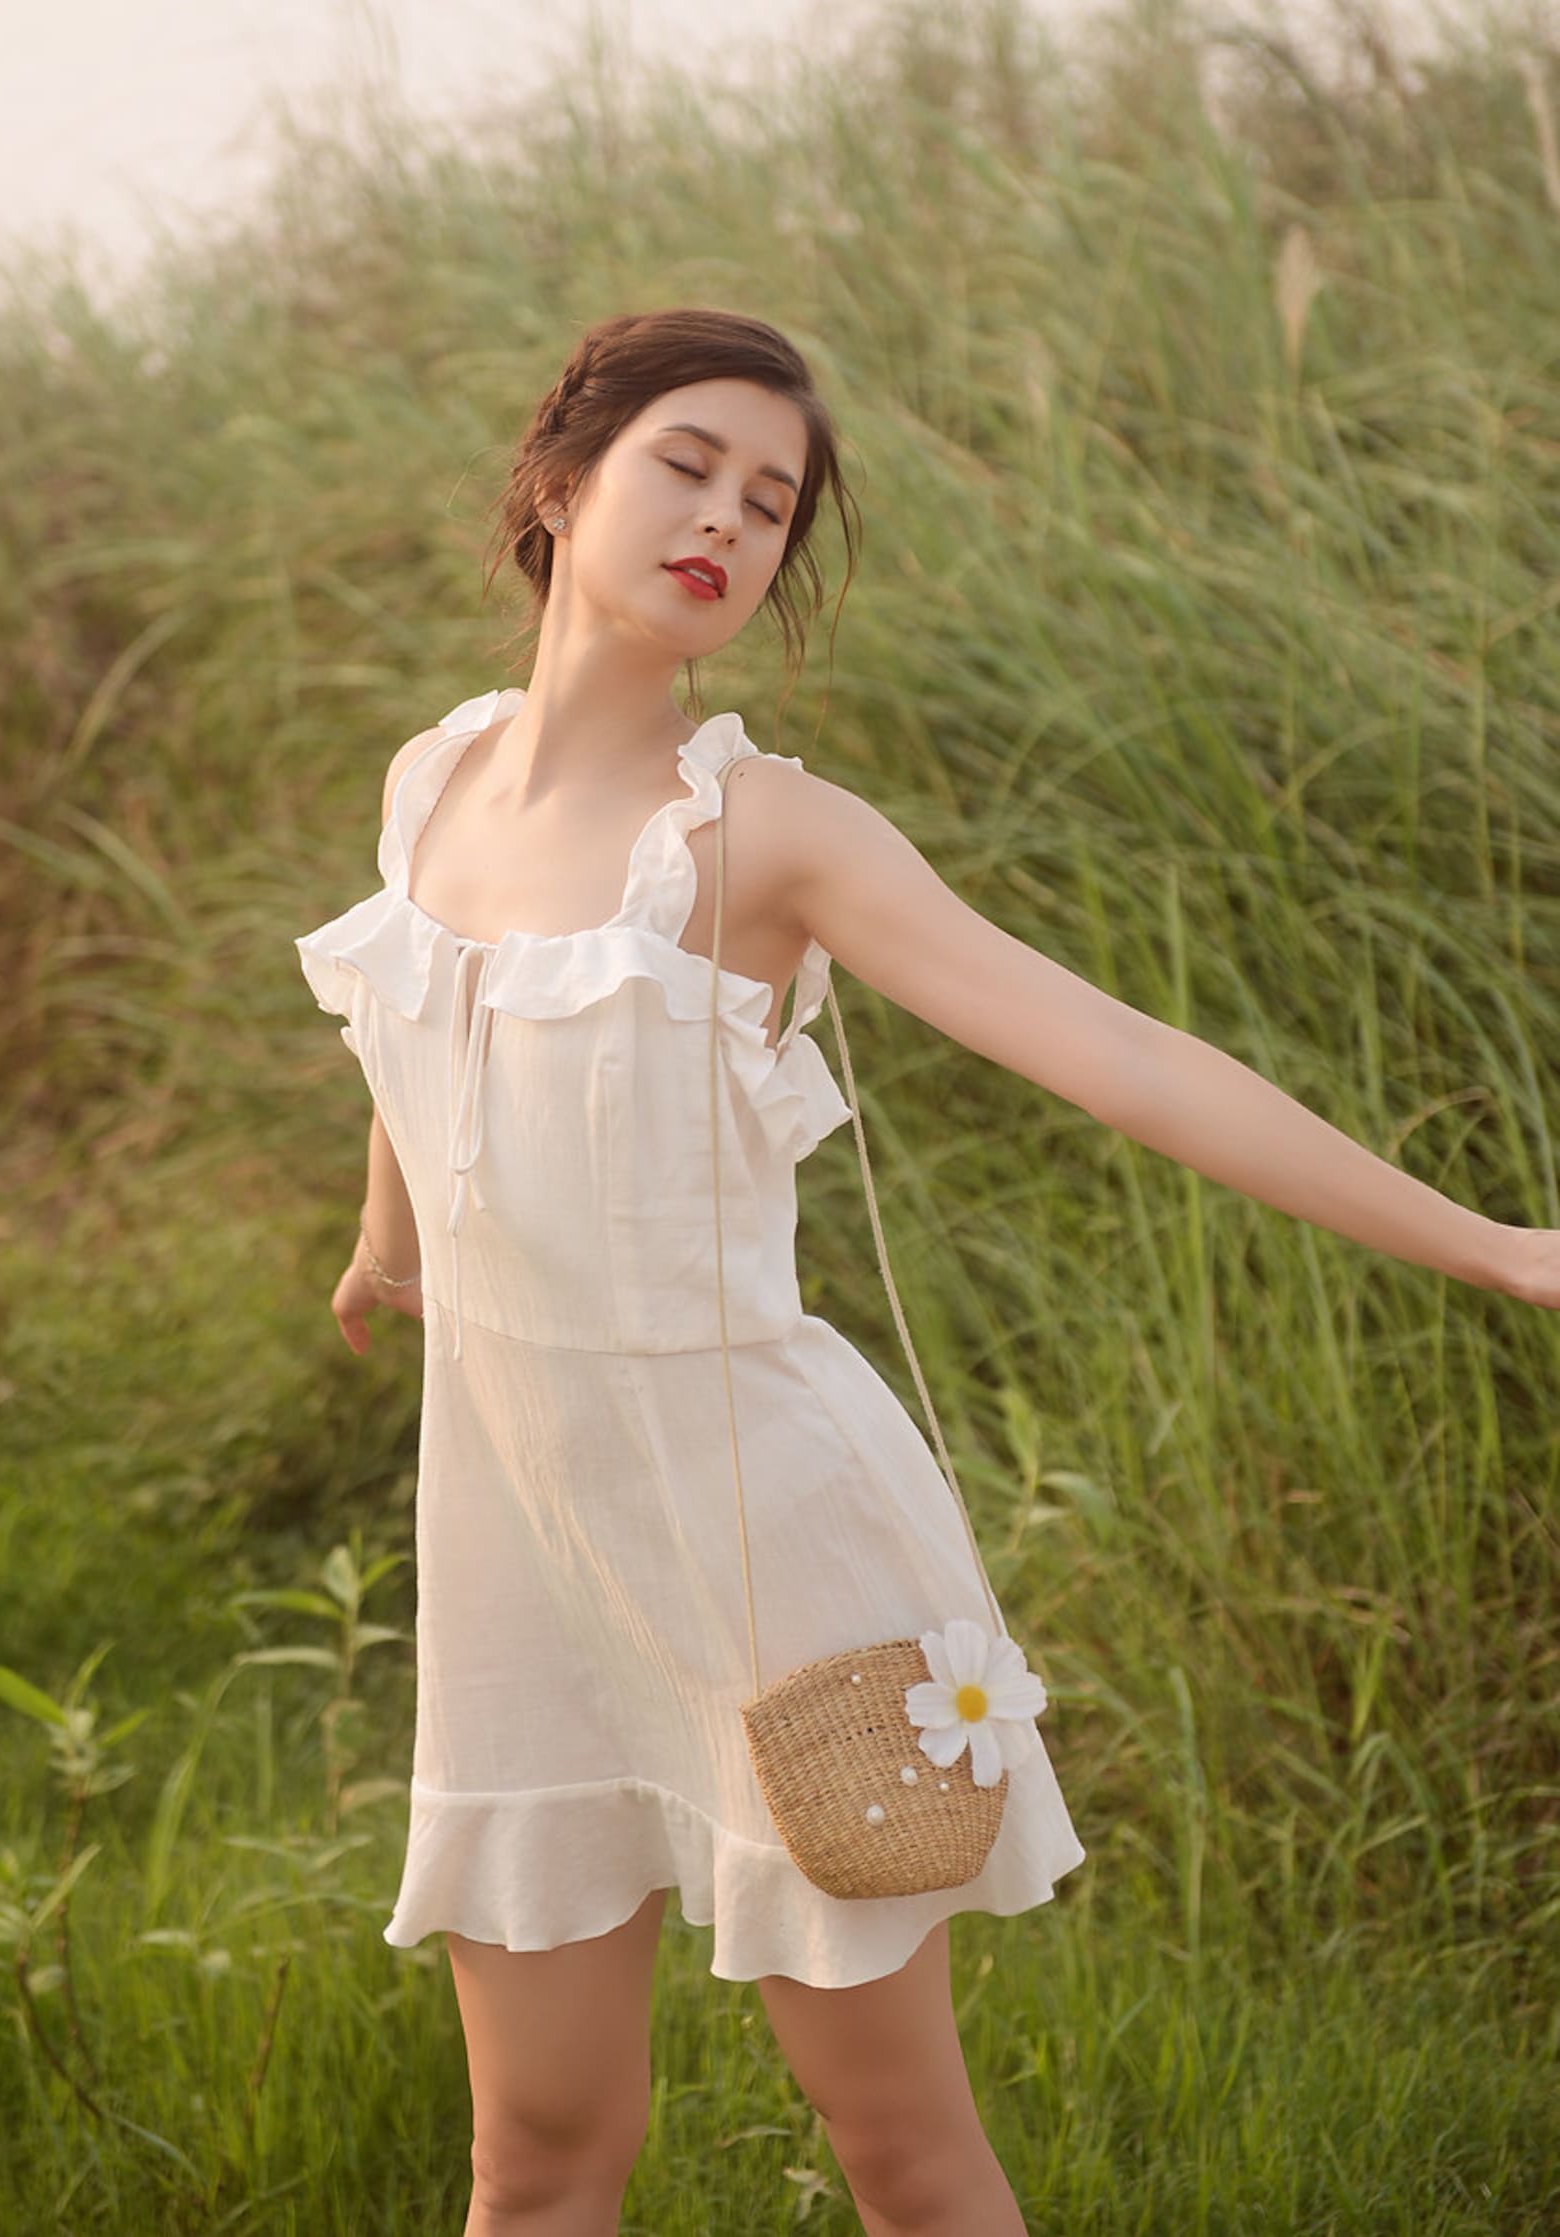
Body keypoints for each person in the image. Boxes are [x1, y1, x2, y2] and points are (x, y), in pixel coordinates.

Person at [296, 306, 1549, 2237]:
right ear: (560, 479)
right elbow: (425, 1019)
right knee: (533, 2159)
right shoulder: (433, 780)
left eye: (770, 502)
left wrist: (1495, 1244)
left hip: (777, 1556)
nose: (728, 521)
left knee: (902, 2150)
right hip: (524, 1558)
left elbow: (1125, 1058)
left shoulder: (766, 836)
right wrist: (388, 1238)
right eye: (687, 466)